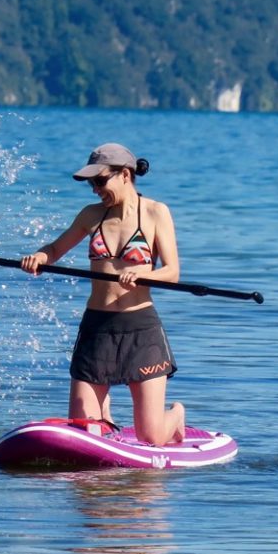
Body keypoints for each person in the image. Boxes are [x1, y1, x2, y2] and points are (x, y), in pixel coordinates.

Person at [19, 143, 185, 445]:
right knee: (85, 431)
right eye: (91, 183)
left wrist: (144, 273)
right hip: (97, 329)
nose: (95, 189)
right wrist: (40, 257)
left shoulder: (156, 213)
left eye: (100, 181)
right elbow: (55, 249)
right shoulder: (90, 215)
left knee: (151, 436)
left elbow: (172, 272)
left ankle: (175, 415)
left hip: (140, 330)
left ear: (124, 174)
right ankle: (103, 410)